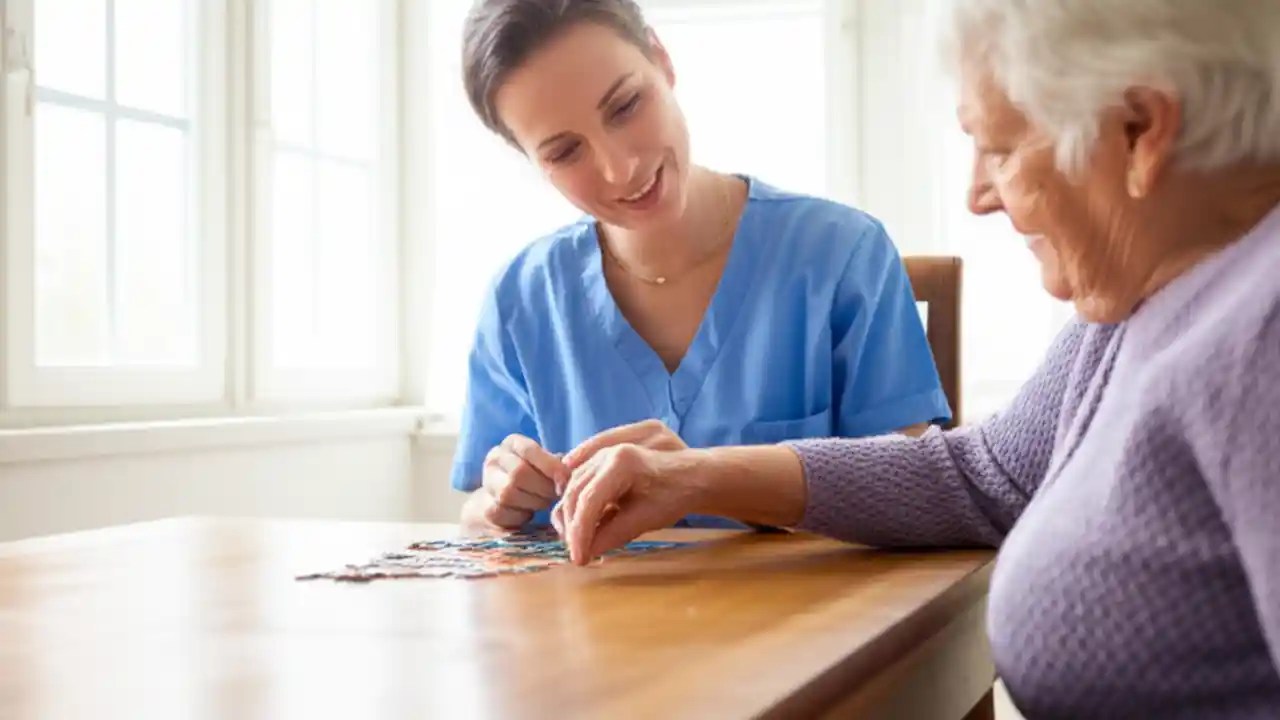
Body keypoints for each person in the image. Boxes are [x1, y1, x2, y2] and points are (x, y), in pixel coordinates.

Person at [553, 0, 1280, 716]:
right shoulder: (1141, 305)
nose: (975, 195)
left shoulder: (1261, 330)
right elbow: (983, 476)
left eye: (997, 146)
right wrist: (694, 476)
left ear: (1141, 130)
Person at [452, 0, 951, 533]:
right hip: (595, 617)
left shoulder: (842, 256)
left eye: (624, 106)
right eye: (564, 152)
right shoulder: (520, 299)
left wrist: (709, 476)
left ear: (662, 60)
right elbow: (480, 517)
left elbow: (914, 491)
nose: (620, 169)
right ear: (530, 162)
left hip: (811, 616)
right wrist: (497, 502)